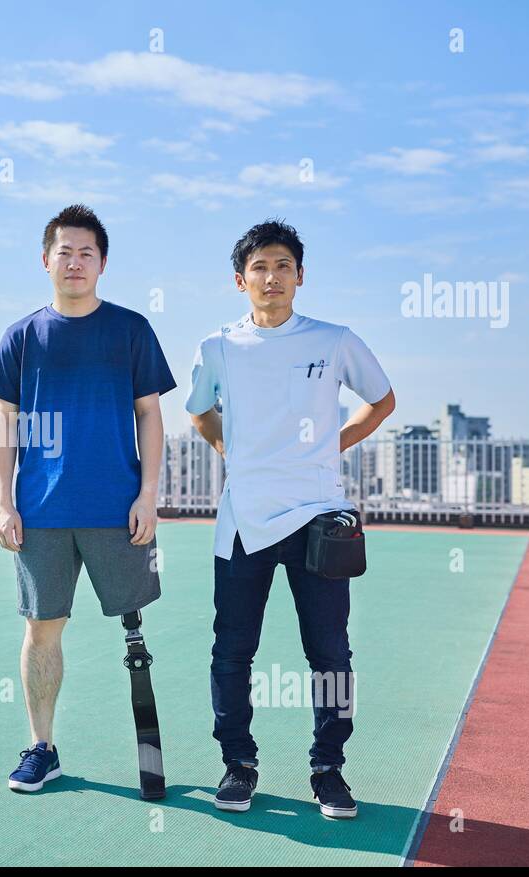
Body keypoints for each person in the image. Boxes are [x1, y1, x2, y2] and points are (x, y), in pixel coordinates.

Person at [184, 219, 395, 819]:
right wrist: (229, 449)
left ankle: (329, 769)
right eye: (259, 267)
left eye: (283, 266)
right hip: (244, 522)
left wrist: (332, 445)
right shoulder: (218, 346)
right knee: (232, 651)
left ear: (301, 276)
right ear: (240, 280)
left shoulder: (334, 341)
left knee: (330, 654)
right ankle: (238, 764)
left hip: (320, 520)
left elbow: (382, 400)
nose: (271, 277)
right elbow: (199, 412)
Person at [0, 204, 178, 793]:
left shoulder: (131, 330)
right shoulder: (21, 337)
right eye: (64, 252)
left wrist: (148, 493)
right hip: (41, 512)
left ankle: (150, 753)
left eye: (86, 253)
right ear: (45, 260)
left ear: (103, 264)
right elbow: (3, 424)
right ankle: (42, 748)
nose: (74, 262)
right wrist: (4, 503)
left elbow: (150, 415)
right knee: (41, 630)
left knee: (133, 626)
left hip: (117, 508)